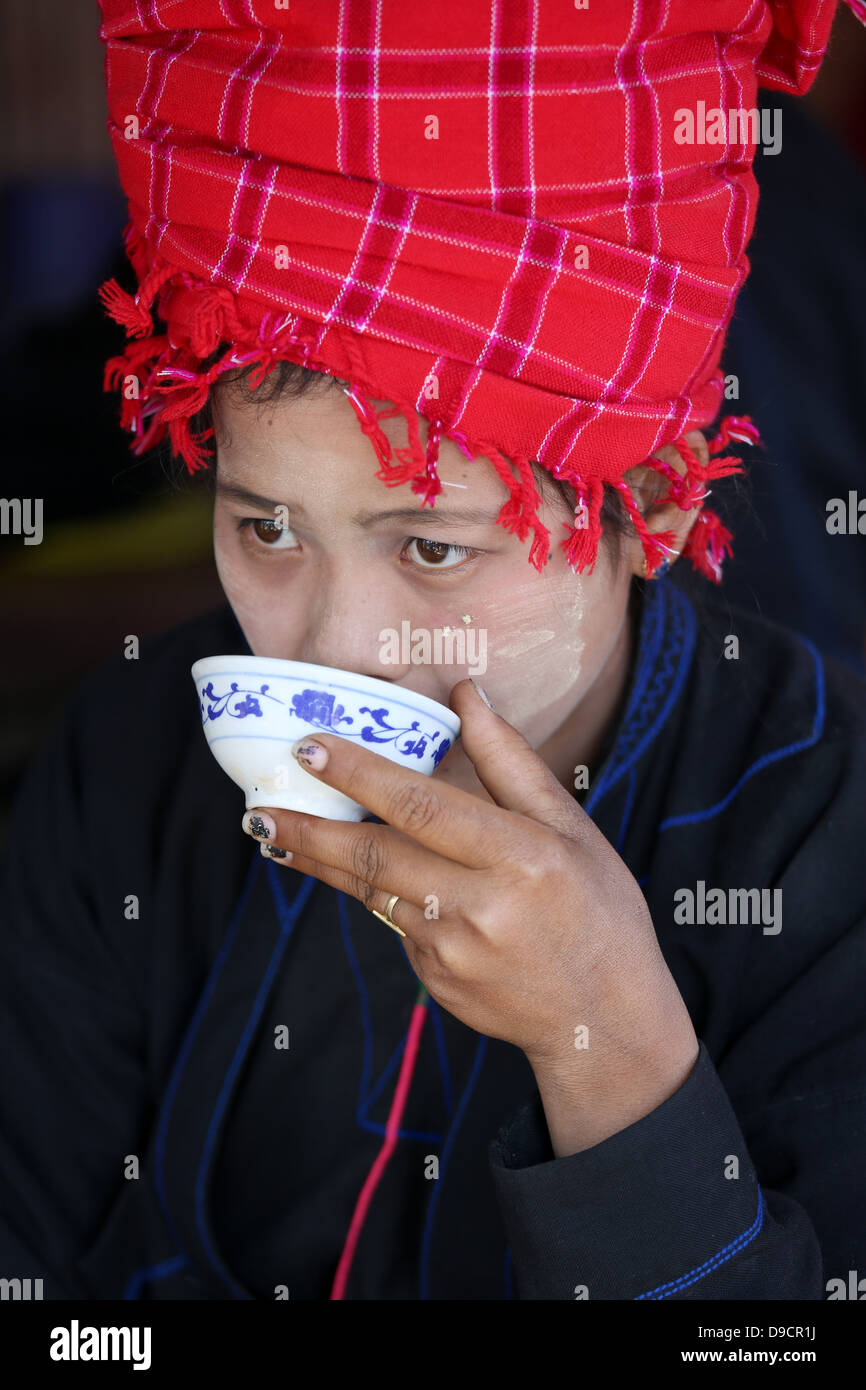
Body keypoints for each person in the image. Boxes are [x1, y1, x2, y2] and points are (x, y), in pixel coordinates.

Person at [0, 0, 864, 1301]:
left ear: (658, 506)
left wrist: (613, 1056)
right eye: (265, 529)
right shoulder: (130, 755)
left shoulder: (821, 824)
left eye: (434, 549)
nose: (339, 649)